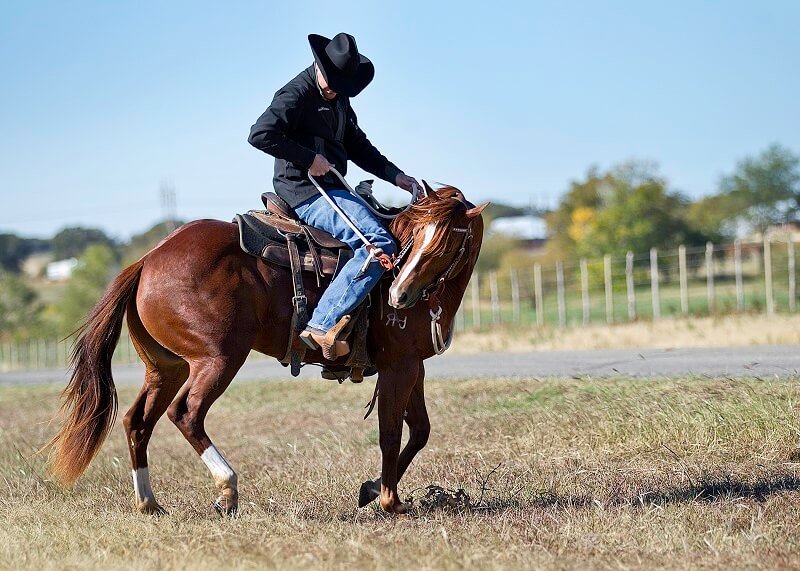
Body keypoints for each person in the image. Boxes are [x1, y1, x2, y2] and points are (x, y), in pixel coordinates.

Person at [248, 32, 418, 359]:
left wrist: (395, 176)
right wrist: (308, 158)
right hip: (305, 191)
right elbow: (260, 134)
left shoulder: (339, 98)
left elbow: (358, 146)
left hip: (332, 188)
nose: (333, 90)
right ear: (319, 65)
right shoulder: (295, 94)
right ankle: (321, 324)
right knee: (378, 244)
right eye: (330, 82)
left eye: (341, 86)